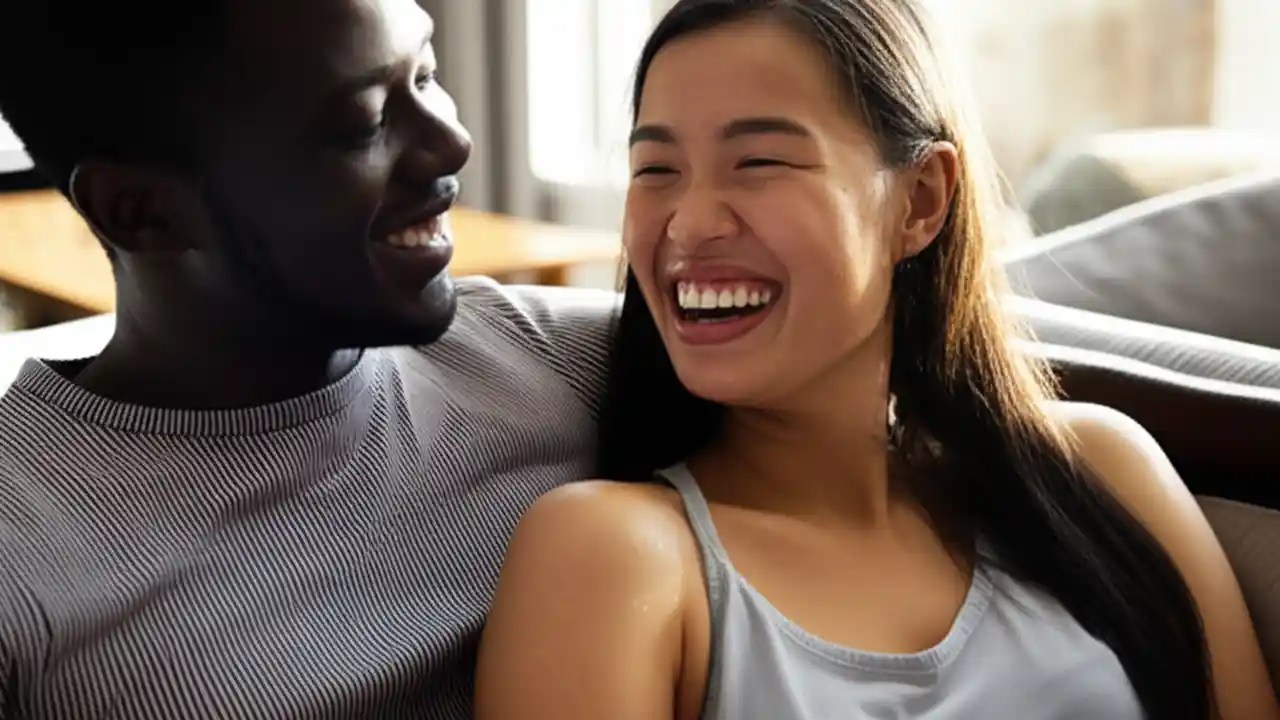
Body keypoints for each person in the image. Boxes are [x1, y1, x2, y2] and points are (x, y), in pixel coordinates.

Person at [474, 1, 1279, 718]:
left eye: (759, 162)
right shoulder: (616, 556)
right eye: (656, 171)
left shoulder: (1101, 473)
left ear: (921, 200)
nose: (688, 225)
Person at [0, 0, 613, 717]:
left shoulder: (566, 361)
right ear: (142, 210)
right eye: (364, 124)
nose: (451, 143)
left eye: (425, 75)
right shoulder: (21, 553)